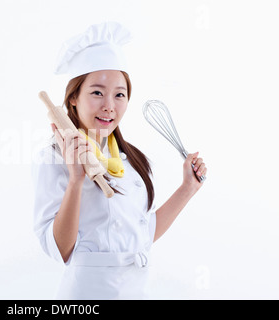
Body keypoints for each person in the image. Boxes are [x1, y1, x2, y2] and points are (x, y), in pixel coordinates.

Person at [32, 22, 207, 299]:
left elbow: (142, 235)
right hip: (88, 294)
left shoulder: (133, 160)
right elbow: (59, 250)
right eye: (97, 92)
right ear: (74, 97)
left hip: (136, 289)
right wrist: (76, 180)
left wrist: (188, 188)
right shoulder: (55, 158)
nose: (109, 106)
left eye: (120, 94)